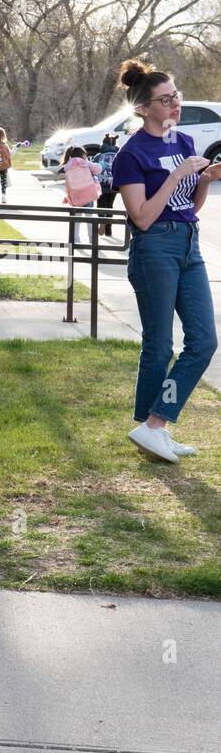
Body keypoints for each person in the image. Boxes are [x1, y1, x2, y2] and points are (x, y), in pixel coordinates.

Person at [112, 57, 221, 463]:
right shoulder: (131, 153)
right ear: (143, 108)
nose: (175, 105)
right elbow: (141, 217)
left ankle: (155, 423)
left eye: (176, 96)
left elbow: (189, 205)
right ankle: (153, 426)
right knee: (159, 345)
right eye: (164, 100)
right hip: (153, 247)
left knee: (203, 341)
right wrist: (176, 177)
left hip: (188, 244)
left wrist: (205, 181)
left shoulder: (185, 143)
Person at [61, 145, 102, 247]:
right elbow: (98, 169)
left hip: (76, 196)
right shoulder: (85, 162)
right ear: (82, 154)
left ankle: (75, 239)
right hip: (88, 194)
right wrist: (97, 164)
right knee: (90, 219)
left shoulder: (68, 165)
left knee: (77, 219)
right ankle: (92, 240)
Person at [93, 132, 120, 236]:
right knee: (110, 205)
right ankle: (109, 229)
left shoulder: (98, 156)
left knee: (100, 205)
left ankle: (101, 223)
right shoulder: (118, 155)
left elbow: (94, 170)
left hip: (100, 185)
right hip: (114, 185)